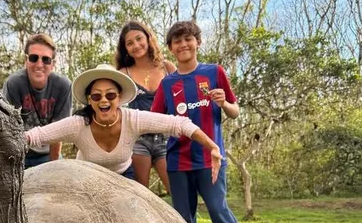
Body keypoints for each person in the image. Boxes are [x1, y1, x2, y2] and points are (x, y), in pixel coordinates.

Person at [151, 21, 260, 223]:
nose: (183, 45)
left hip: (210, 159)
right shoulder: (168, 84)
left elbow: (235, 111)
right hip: (177, 161)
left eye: (188, 39)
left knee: (218, 209)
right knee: (183, 219)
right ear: (171, 48)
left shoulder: (214, 73)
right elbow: (154, 119)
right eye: (177, 41)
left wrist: (224, 103)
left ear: (198, 42)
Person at [24, 64, 222, 182]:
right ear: (90, 100)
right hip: (86, 178)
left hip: (123, 177)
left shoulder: (132, 119)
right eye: (96, 95)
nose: (104, 100)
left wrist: (212, 146)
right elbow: (37, 135)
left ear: (119, 98)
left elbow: (178, 124)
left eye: (110, 95)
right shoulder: (78, 124)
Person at [115, 21, 176, 192]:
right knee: (141, 195)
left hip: (167, 138)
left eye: (139, 39)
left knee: (179, 192)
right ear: (125, 48)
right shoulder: (122, 74)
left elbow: (182, 101)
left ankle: (185, 220)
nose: (136, 45)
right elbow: (112, 106)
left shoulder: (168, 68)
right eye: (129, 43)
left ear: (148, 39)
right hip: (137, 140)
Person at [2, 33, 72, 168]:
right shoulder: (13, 84)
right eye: (34, 58)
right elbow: (8, 131)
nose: (39, 64)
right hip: (20, 153)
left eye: (46, 59)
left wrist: (53, 167)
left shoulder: (64, 86)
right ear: (26, 61)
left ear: (53, 64)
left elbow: (58, 132)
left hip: (48, 153)